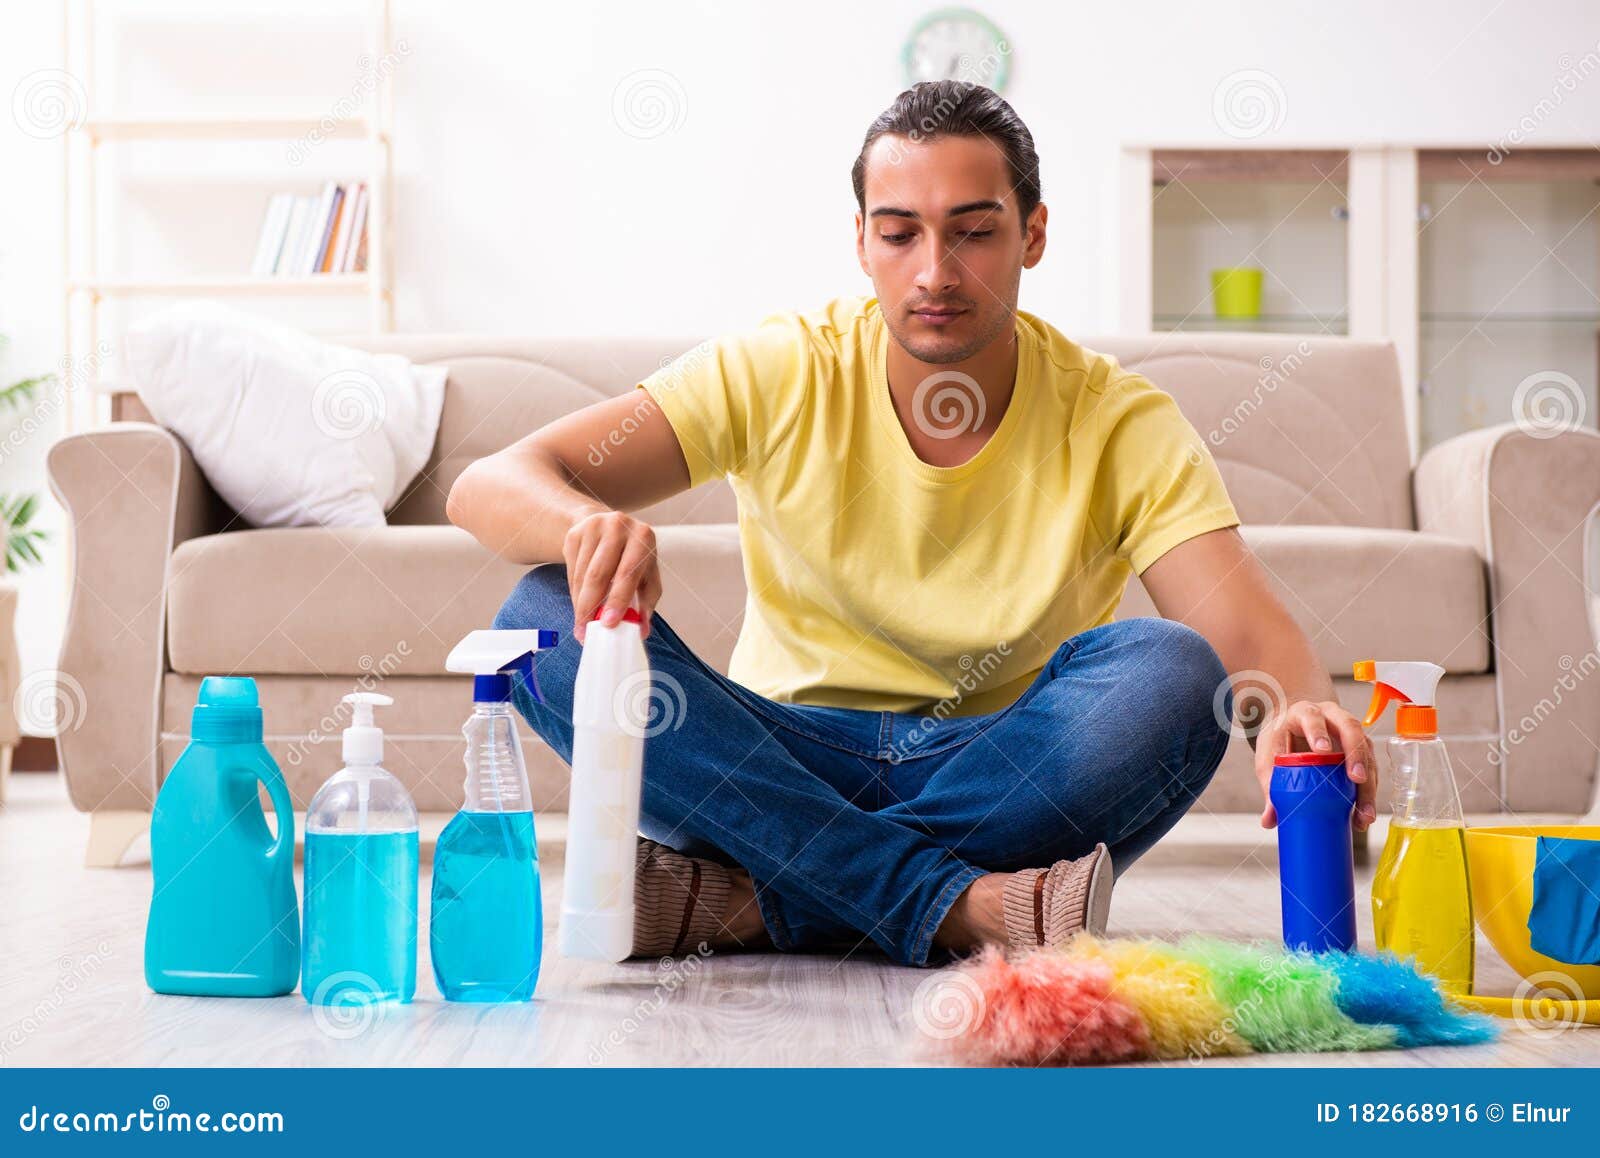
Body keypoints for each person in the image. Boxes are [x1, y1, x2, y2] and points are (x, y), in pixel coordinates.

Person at [447, 81, 1376, 968]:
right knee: (537, 625)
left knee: (1174, 677)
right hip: (778, 756)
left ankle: (750, 901)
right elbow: (490, 484)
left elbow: (1243, 639)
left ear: (1034, 234)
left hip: (999, 765)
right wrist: (583, 526)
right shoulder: (781, 369)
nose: (936, 273)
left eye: (974, 232)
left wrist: (1301, 716)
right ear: (860, 242)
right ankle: (967, 906)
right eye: (900, 235)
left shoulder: (1120, 420)